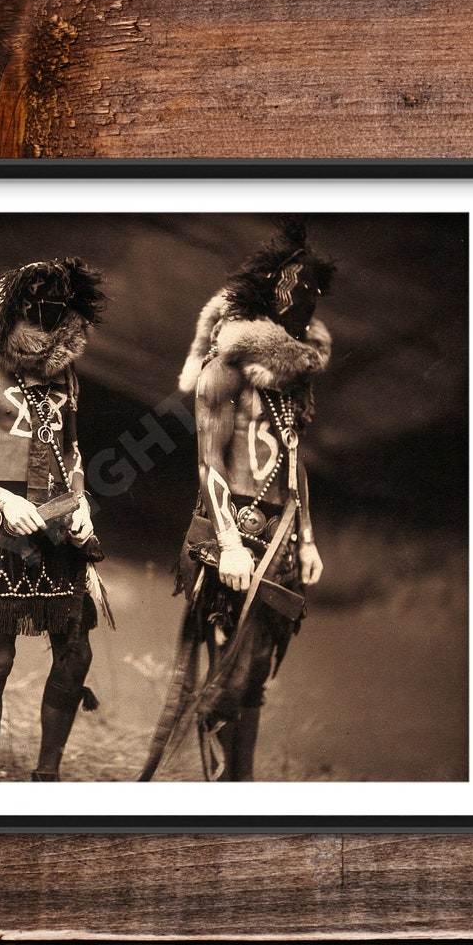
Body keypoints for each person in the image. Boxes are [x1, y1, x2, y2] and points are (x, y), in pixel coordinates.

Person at [141, 219, 334, 782]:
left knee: (254, 669)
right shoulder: (224, 368)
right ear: (275, 294)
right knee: (233, 658)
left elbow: (294, 457)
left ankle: (238, 782)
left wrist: (308, 537)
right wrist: (227, 542)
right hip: (237, 529)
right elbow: (209, 461)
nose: (307, 303)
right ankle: (234, 782)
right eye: (298, 291)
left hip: (282, 534)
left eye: (315, 296)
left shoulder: (296, 374)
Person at [0, 257, 111, 781]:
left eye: (60, 316)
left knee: (75, 655)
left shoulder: (65, 373)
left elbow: (73, 452)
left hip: (59, 525)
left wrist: (83, 509)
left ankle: (46, 780)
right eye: (40, 313)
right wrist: (0, 498)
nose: (49, 325)